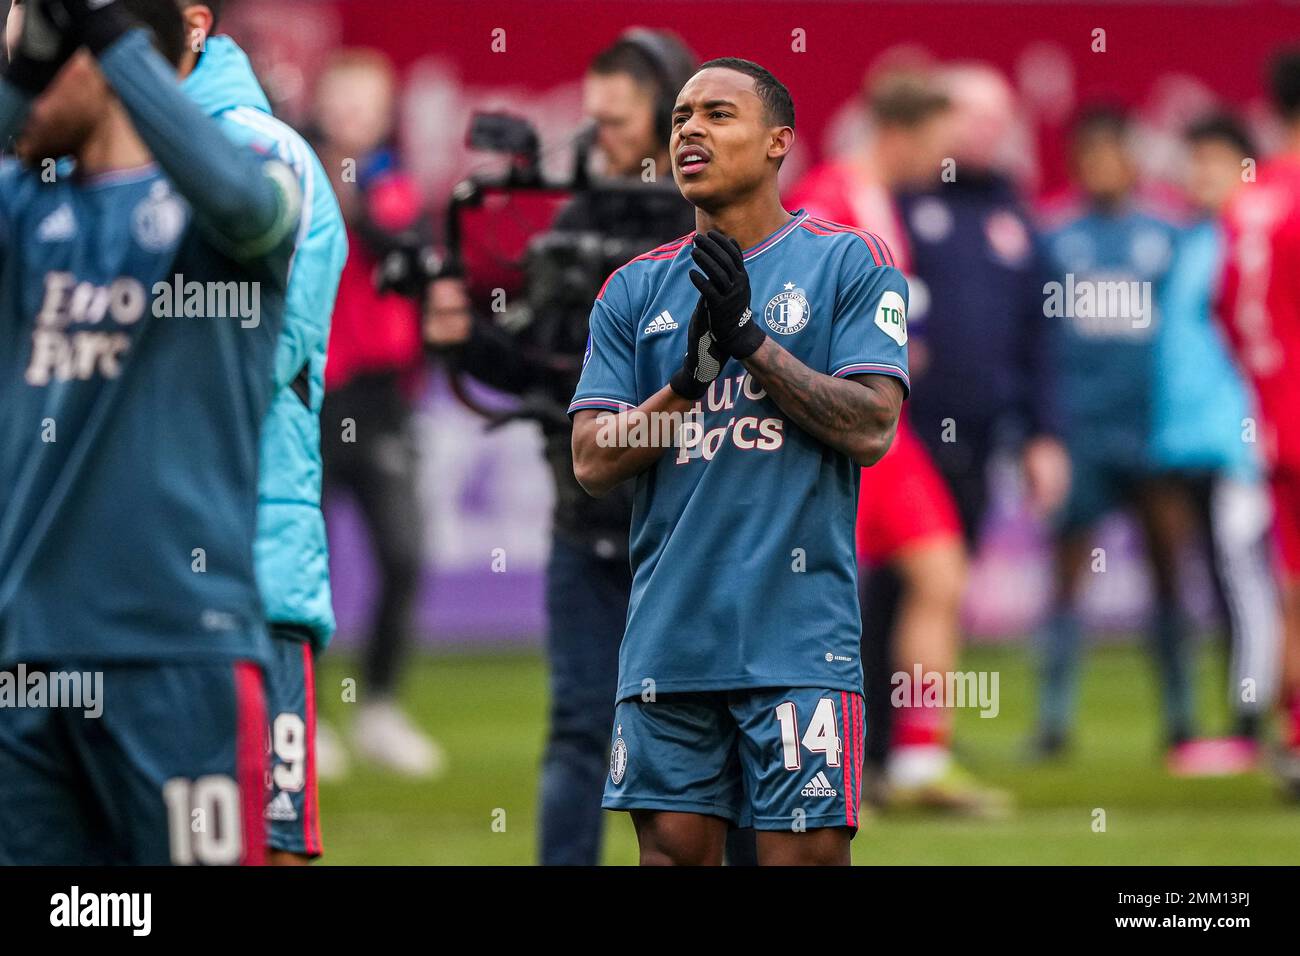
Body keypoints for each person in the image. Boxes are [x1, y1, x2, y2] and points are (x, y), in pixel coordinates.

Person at [570, 57, 909, 866]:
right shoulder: (633, 289)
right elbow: (592, 458)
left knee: (806, 858)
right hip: (668, 647)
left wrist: (751, 342)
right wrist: (687, 381)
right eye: (682, 116)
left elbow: (871, 427)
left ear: (777, 142)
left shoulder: (847, 263)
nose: (690, 129)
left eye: (718, 115)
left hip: (797, 641)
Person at [0, 0, 302, 864]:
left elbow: (249, 209)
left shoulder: (239, 195)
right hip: (27, 658)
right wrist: (26, 77)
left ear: (96, 65)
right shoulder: (24, 208)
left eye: (32, 53)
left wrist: (108, 36)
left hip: (177, 651)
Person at [424, 29, 697, 866]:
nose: (603, 136)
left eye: (620, 121)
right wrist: (461, 337)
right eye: (597, 121)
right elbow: (541, 368)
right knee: (581, 726)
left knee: (712, 731)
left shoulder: (711, 218)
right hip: (588, 520)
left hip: (690, 529)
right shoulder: (577, 220)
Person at [788, 67, 1007, 815]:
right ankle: (819, 766)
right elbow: (794, 313)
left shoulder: (882, 201)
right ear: (899, 134)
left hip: (888, 429)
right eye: (937, 143)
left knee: (940, 574)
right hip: (843, 427)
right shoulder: (829, 199)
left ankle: (917, 762)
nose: (943, 161)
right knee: (824, 601)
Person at [177, 1, 348, 854]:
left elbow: (265, 355)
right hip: (106, 587)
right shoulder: (80, 155)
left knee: (259, 842)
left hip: (244, 565)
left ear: (194, 23)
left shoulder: (259, 153)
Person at [1035, 106, 1189, 758]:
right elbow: (1036, 339)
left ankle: (1182, 718)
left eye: (1111, 154)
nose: (1100, 168)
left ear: (1132, 158)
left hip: (1155, 432)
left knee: (1170, 575)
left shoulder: (1170, 235)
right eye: (1087, 156)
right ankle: (1053, 722)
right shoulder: (1053, 236)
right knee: (1066, 576)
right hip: (1081, 432)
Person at [313, 49, 443, 777]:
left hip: (383, 398)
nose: (355, 120)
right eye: (345, 103)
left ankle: (381, 707)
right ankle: (304, 716)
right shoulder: (287, 172)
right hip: (315, 394)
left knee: (403, 553)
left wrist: (355, 196)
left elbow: (405, 248)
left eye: (369, 106)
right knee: (305, 563)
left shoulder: (394, 184)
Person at [1151, 115, 1279, 776]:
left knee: (1252, 583)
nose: (1198, 176)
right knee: (1226, 587)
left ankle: (1254, 724)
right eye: (1192, 162)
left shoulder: (1255, 240)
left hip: (1249, 445)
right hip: (1187, 444)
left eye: (1214, 163)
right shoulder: (1193, 240)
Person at [1218, 49, 1300, 796]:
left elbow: (1226, 308)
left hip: (1271, 416)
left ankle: (1296, 740)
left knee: (1291, 583)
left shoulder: (1250, 197)